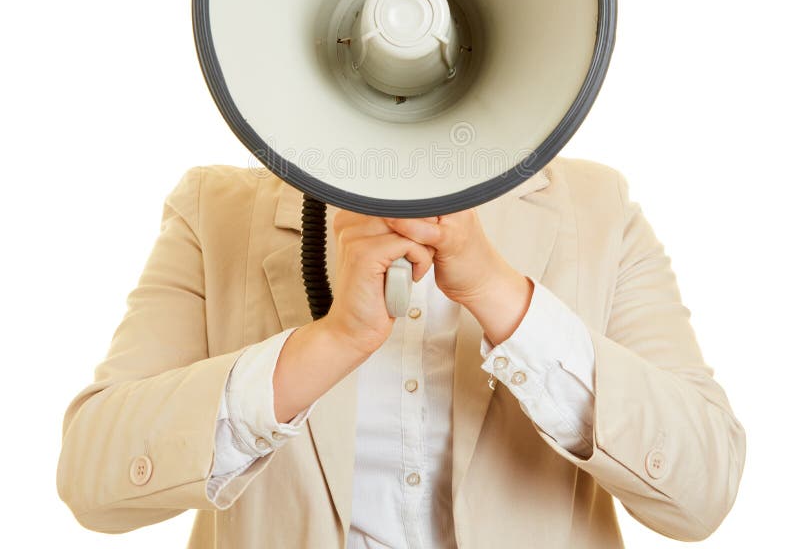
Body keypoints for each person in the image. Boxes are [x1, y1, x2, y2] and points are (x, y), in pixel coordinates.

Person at [56, 156, 745, 547]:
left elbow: (702, 492)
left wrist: (500, 295)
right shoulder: (217, 209)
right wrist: (328, 344)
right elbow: (94, 479)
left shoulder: (596, 209)